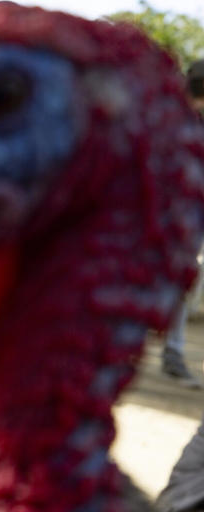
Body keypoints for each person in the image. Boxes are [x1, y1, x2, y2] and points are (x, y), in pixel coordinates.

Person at [161, 59, 204, 389]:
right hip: (167, 213)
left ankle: (172, 351)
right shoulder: (170, 117)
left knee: (187, 276)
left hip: (190, 214)